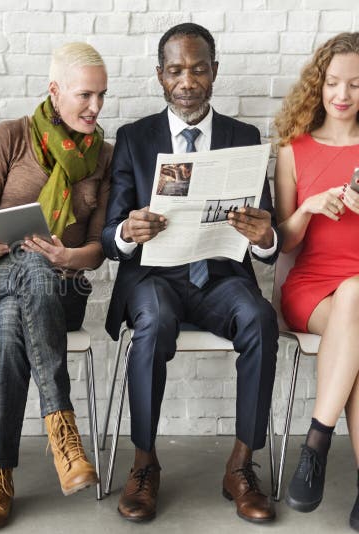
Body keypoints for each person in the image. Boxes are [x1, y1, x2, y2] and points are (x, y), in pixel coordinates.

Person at [101, 23, 280, 523]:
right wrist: (127, 231)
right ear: (160, 76)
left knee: (261, 320)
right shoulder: (134, 139)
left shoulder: (242, 138)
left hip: (220, 276)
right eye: (176, 69)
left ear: (214, 72)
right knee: (153, 324)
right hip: (154, 278)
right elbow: (108, 237)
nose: (187, 80)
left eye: (198, 68)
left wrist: (264, 236)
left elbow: (266, 239)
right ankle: (144, 463)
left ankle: (241, 465)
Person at [0, 42, 111, 528]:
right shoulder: (12, 137)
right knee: (27, 273)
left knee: (14, 317)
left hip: (62, 288)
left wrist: (69, 256)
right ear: (55, 90)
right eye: (85, 95)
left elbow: (98, 248)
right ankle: (64, 433)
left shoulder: (104, 157)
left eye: (102, 96)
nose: (96, 107)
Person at [273, 32, 359, 530]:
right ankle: (321, 447)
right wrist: (306, 207)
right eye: (332, 82)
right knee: (352, 297)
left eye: (353, 85)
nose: (341, 95)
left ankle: (315, 446)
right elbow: (282, 243)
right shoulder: (293, 149)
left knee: (357, 312)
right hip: (312, 287)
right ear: (318, 85)